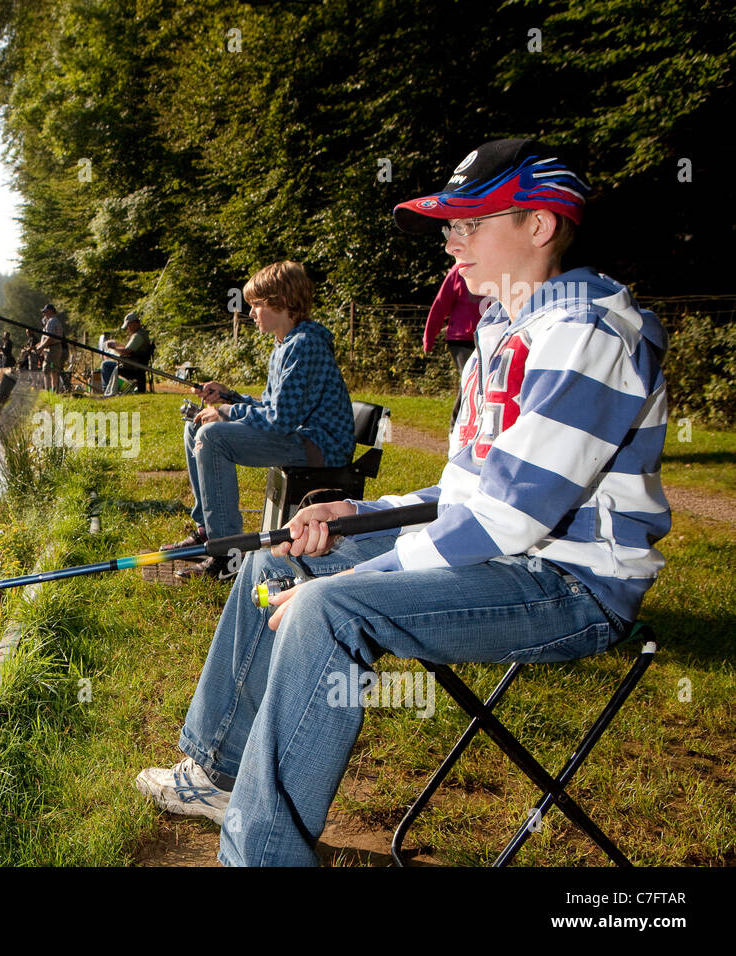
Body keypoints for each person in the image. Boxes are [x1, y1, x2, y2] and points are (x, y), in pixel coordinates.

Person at [134, 138, 671, 866]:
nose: (451, 242)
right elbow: (464, 491)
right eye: (449, 226)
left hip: (569, 584)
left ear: (539, 225)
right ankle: (216, 774)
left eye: (469, 223)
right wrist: (358, 514)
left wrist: (359, 575)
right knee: (275, 561)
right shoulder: (504, 332)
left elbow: (511, 515)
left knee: (330, 607)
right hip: (502, 553)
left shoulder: (587, 333)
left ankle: (260, 856)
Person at [166, 260, 355, 580]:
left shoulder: (304, 345)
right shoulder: (283, 345)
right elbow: (272, 407)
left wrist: (225, 412)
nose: (250, 313)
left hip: (319, 445)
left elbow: (280, 420)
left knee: (213, 437)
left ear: (280, 303)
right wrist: (230, 397)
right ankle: (206, 531)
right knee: (195, 425)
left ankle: (228, 554)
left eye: (255, 305)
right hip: (298, 435)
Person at [423, 262, 485, 428]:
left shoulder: (496, 267)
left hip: (486, 337)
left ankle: (478, 423)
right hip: (461, 338)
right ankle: (456, 425)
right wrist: (429, 338)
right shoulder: (459, 271)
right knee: (470, 378)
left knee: (484, 380)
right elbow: (440, 304)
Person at [100, 312, 152, 395]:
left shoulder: (138, 336)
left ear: (134, 323)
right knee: (108, 364)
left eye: (128, 326)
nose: (127, 329)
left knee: (106, 364)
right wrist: (117, 345)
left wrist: (113, 347)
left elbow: (126, 352)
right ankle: (109, 390)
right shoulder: (142, 334)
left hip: (132, 367)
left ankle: (107, 390)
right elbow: (130, 349)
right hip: (136, 364)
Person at [35, 304, 67, 392]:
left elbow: (50, 338)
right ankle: (54, 390)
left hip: (52, 349)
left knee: (47, 369)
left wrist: (41, 347)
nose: (44, 314)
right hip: (54, 348)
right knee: (54, 370)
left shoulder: (52, 321)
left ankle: (48, 390)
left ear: (50, 311)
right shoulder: (54, 321)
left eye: (45, 312)